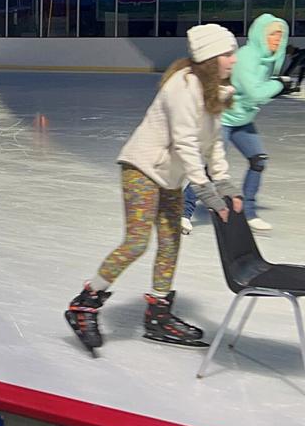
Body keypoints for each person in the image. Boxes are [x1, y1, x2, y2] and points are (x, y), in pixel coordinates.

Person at [65, 24, 243, 355]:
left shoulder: (214, 89)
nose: (234, 60)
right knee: (136, 242)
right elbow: (186, 142)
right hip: (142, 170)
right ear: (210, 57)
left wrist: (225, 181)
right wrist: (206, 190)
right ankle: (83, 306)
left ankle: (158, 314)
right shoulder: (183, 85)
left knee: (171, 241)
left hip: (171, 177)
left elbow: (213, 141)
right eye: (228, 54)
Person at [183, 14, 292, 234]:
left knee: (258, 160)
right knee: (209, 168)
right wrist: (279, 84)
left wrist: (274, 85)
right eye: (272, 34)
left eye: (280, 35)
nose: (276, 40)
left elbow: (259, 95)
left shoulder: (270, 60)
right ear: (260, 35)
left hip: (243, 120)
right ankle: (184, 211)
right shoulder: (247, 57)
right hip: (223, 119)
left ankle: (249, 213)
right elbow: (254, 94)